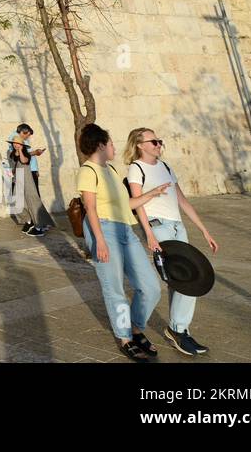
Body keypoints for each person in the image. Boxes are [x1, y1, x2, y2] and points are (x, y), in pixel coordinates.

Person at [76, 122, 171, 362]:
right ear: (100, 145)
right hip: (104, 230)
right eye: (111, 144)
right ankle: (125, 338)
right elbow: (91, 208)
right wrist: (99, 242)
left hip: (125, 229)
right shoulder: (88, 171)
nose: (114, 148)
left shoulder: (112, 171)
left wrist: (152, 194)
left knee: (150, 286)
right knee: (114, 288)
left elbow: (126, 205)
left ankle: (136, 327)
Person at [125, 127, 219, 357]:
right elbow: (137, 204)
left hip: (177, 226)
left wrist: (204, 230)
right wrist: (149, 234)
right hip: (159, 226)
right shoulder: (136, 169)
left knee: (188, 278)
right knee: (184, 276)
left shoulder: (166, 167)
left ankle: (179, 329)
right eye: (154, 141)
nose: (158, 144)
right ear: (140, 145)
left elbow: (183, 201)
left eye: (159, 140)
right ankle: (178, 330)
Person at [8, 123, 55, 236]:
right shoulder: (14, 151)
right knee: (20, 200)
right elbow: (15, 158)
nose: (15, 144)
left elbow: (25, 160)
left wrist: (21, 150)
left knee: (33, 199)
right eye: (14, 143)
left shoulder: (24, 151)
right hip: (20, 178)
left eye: (17, 143)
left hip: (27, 177)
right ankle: (29, 221)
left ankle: (40, 224)